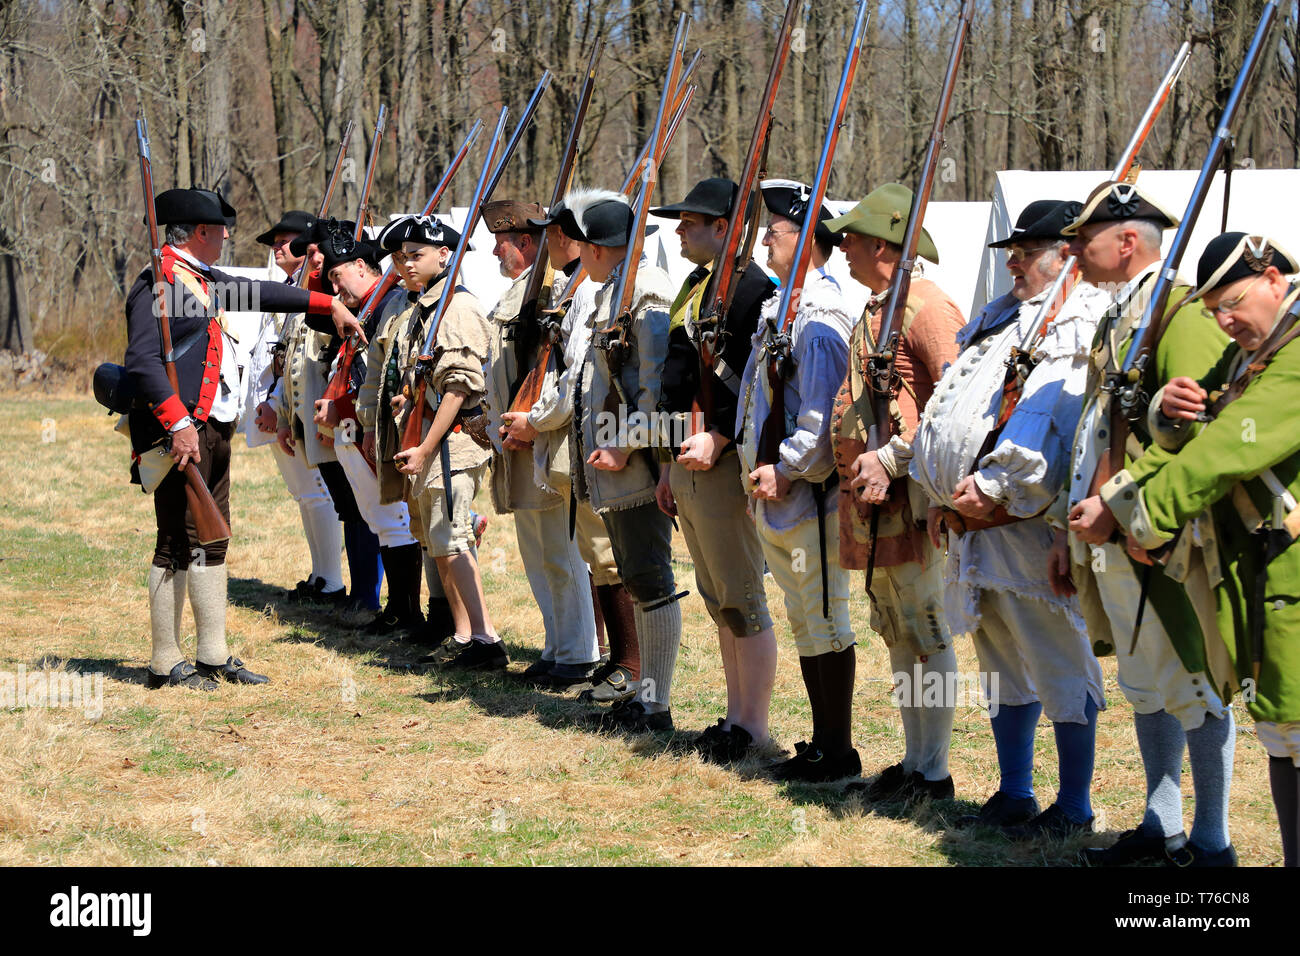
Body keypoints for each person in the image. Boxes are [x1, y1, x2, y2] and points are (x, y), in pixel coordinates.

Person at [911, 199, 1111, 835]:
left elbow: (1057, 423)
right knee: (999, 659)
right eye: (1015, 251)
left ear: (1068, 256)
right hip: (972, 522)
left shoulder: (1079, 321)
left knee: (1057, 660)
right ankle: (1016, 790)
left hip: (1026, 522)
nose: (1017, 260)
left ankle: (1075, 805)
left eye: (1031, 250)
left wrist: (997, 488)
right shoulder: (1007, 316)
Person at [1056, 182, 1236, 865]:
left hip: (1162, 538)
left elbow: (1193, 435)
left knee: (1194, 685)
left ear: (1127, 240)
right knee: (1146, 683)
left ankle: (1213, 846)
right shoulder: (1120, 315)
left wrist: (1120, 506)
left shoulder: (1181, 313)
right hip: (1114, 534)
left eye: (1084, 237)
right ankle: (1163, 826)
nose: (1074, 250)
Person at [123, 187, 361, 689]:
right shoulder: (160, 282)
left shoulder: (199, 279)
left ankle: (212, 654)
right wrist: (178, 424)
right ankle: (164, 663)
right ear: (201, 232)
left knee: (212, 536)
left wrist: (326, 304)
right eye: (221, 228)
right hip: (178, 431)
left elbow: (263, 294)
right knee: (174, 542)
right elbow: (143, 362)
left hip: (211, 424)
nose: (229, 236)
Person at [1111, 234, 1299, 866]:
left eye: (1233, 303)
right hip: (1262, 576)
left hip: (1290, 575)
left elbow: (1224, 454)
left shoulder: (1294, 355)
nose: (1223, 322)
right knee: (1280, 734)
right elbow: (1184, 437)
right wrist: (1168, 410)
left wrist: (1140, 520)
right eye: (1213, 309)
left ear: (1274, 278)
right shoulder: (1253, 354)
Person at [829, 183, 963, 800]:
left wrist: (895, 459)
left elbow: (956, 408)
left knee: (926, 631)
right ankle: (914, 762)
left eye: (852, 238)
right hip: (874, 505)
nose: (843, 249)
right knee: (899, 632)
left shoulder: (928, 307)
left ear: (883, 243)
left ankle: (933, 772)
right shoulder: (879, 306)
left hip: (911, 501)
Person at [649, 178, 778, 761]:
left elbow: (759, 386)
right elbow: (676, 381)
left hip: (724, 464)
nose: (679, 230)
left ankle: (754, 728)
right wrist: (663, 467)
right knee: (716, 596)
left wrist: (722, 436)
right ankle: (734, 717)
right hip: (684, 460)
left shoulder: (754, 290)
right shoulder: (696, 286)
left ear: (723, 228)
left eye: (691, 221)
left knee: (744, 597)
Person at [737, 179, 856, 778]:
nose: (764, 241)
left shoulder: (822, 316)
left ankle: (838, 752)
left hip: (811, 493)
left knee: (826, 617)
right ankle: (821, 742)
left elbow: (823, 417)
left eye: (775, 233)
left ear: (807, 239)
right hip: (779, 490)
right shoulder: (783, 306)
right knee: (805, 619)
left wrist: (784, 469)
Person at [500, 201, 641, 701]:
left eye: (551, 234)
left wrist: (534, 421)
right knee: (592, 554)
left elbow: (579, 374)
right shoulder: (579, 288)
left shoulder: (591, 291)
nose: (547, 243)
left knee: (606, 556)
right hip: (574, 437)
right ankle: (609, 662)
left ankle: (622, 665)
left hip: (593, 438)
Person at [560, 188, 681, 732]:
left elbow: (656, 388)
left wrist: (628, 444)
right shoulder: (615, 290)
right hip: (616, 462)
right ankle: (647, 697)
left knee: (650, 576)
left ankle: (655, 703)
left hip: (638, 464)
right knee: (636, 573)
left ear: (597, 248)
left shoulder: (645, 294)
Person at [480, 199, 602, 685]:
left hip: (546, 436)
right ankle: (557, 645)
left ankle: (577, 652)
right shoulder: (519, 292)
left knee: (560, 550)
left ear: (525, 243)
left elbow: (562, 369)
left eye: (502, 242)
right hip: (517, 437)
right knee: (537, 552)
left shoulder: (562, 289)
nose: (494, 251)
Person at [388, 215, 505, 670]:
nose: (405, 264)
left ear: (444, 255)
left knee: (454, 539)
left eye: (415, 255)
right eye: (400, 257)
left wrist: (423, 448)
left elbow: (458, 388)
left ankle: (487, 638)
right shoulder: (423, 307)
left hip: (451, 444)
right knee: (439, 541)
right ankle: (463, 634)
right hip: (429, 440)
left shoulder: (456, 308)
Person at [312, 231, 425, 636]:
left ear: (362, 266)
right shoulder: (367, 304)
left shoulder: (388, 300)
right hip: (352, 430)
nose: (334, 288)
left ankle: (407, 611)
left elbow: (385, 376)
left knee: (394, 520)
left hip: (370, 429)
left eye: (339, 276)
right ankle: (398, 609)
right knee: (379, 522)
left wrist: (340, 408)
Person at [273, 218, 383, 613]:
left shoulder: (357, 299)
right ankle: (360, 594)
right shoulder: (322, 294)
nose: (311, 257)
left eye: (317, 251)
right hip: (327, 418)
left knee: (365, 509)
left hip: (349, 417)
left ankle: (368, 596)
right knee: (349, 509)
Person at [242, 210, 345, 604]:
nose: (278, 247)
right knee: (304, 494)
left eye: (287, 240)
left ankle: (332, 582)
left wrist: (274, 403)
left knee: (317, 493)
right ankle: (321, 576)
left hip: (294, 405)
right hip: (279, 407)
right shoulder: (288, 287)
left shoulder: (313, 290)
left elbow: (298, 358)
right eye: (275, 241)